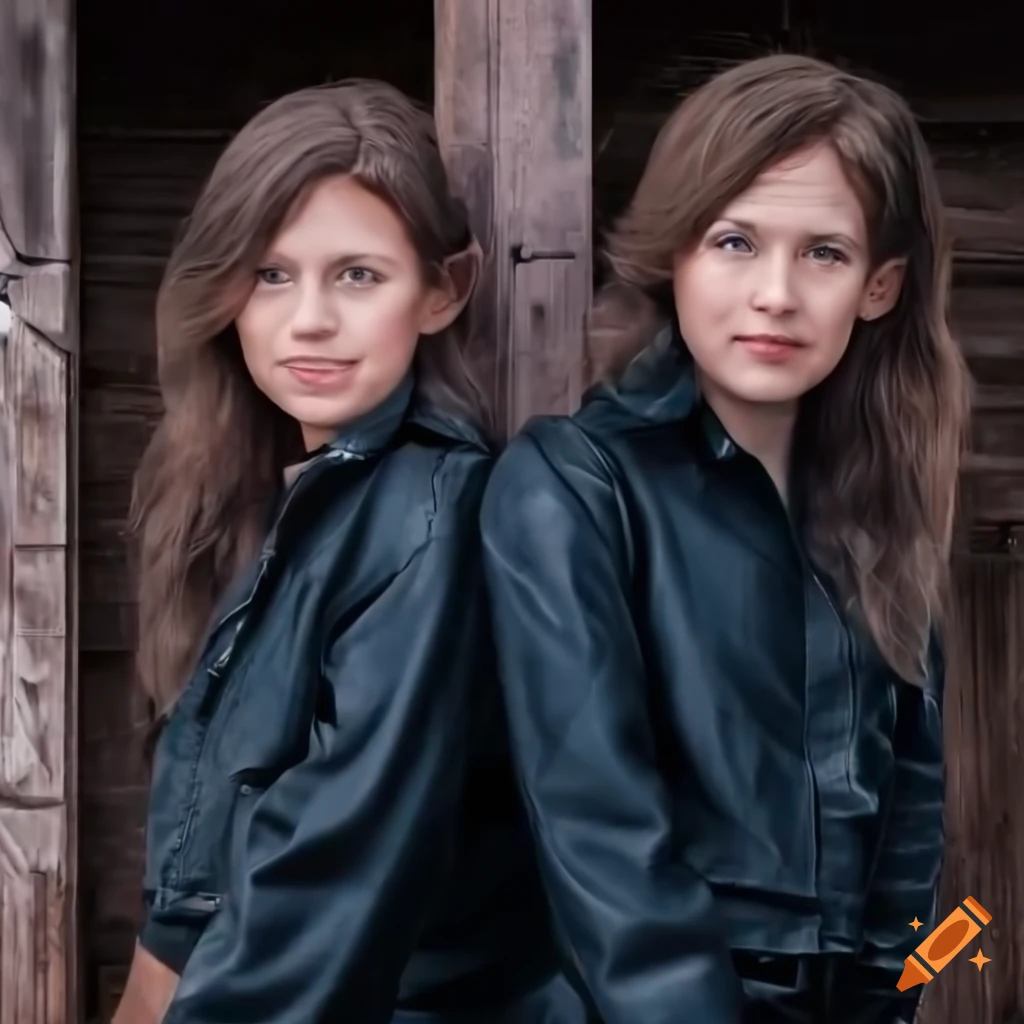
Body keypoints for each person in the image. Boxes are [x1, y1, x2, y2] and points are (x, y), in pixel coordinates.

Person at [481, 54, 966, 1024]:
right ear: (677, 255)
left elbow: (909, 838)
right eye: (735, 242)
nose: (776, 293)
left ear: (879, 285)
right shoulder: (572, 485)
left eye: (823, 253)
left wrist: (893, 1000)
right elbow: (597, 833)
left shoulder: (880, 512)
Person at [113, 80, 588, 1024]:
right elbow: (203, 881)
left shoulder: (434, 523)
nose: (310, 320)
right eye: (271, 273)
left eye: (358, 275)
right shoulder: (273, 499)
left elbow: (327, 886)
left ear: (442, 290)